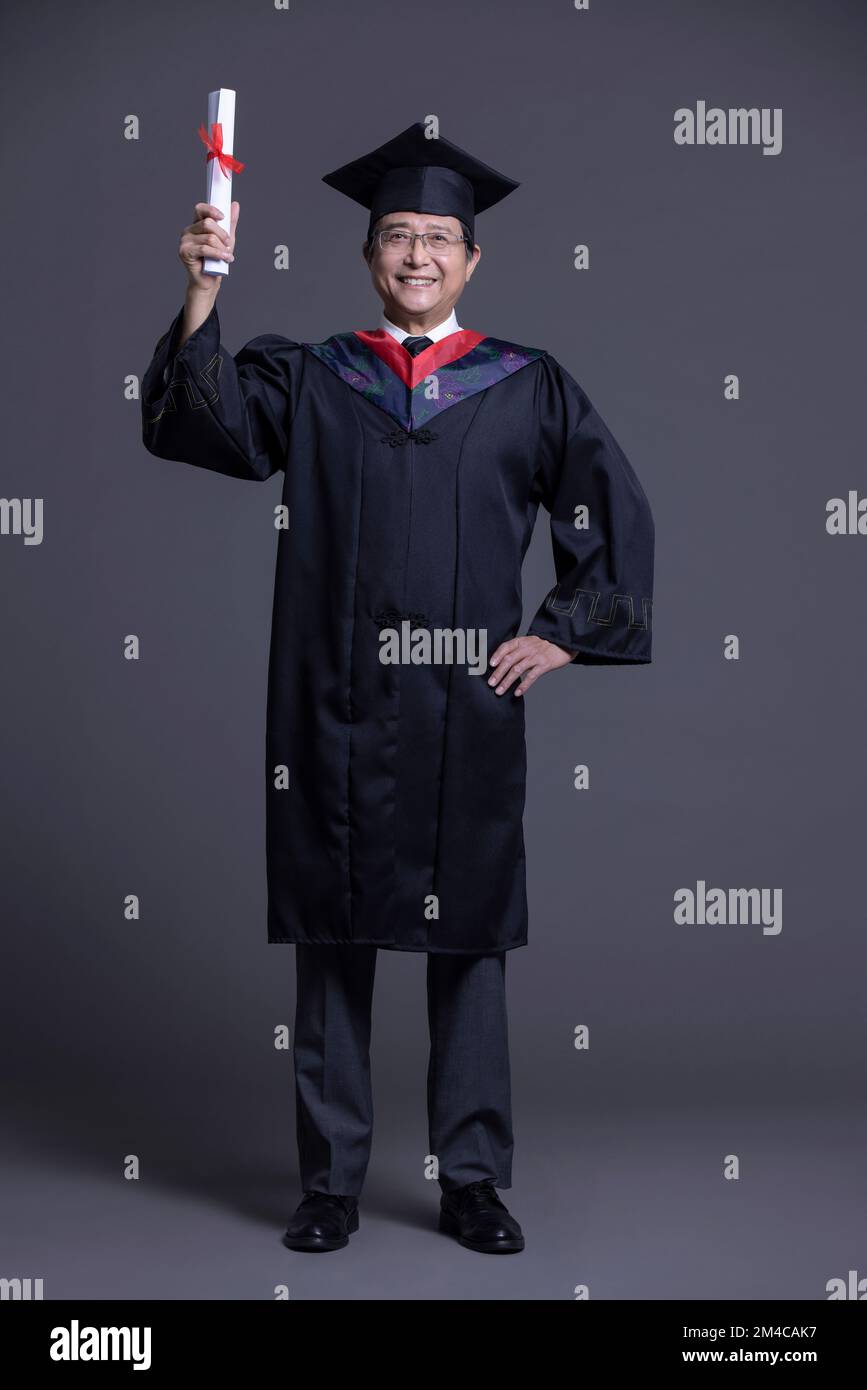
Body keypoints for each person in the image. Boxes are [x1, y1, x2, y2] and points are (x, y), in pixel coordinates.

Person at [140, 121, 654, 1256]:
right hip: (333, 698)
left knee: (469, 940)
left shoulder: (527, 386)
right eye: (395, 236)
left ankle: (470, 1179)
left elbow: (607, 518)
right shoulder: (316, 376)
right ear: (370, 256)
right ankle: (329, 1182)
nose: (416, 255)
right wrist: (199, 293)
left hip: (465, 708)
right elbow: (202, 423)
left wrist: (565, 633)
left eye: (437, 238)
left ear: (472, 260)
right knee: (334, 932)